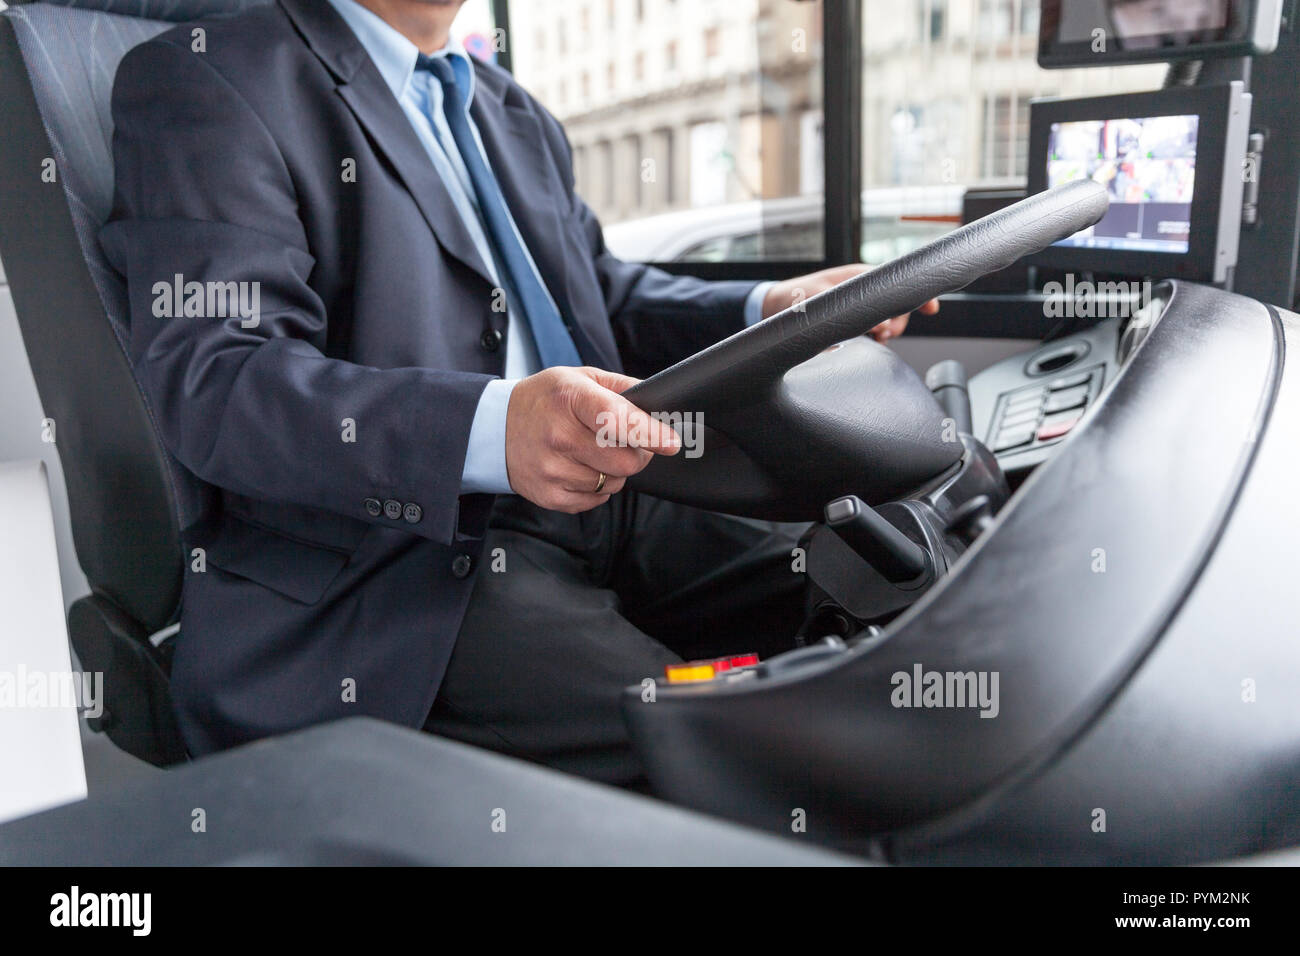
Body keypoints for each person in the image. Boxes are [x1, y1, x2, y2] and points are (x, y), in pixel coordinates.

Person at [101, 0, 935, 786]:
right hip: (403, 556)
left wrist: (771, 306)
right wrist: (495, 428)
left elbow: (603, 298)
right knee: (727, 743)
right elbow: (222, 379)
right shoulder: (209, 80)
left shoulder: (509, 109)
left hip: (616, 487)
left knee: (886, 580)